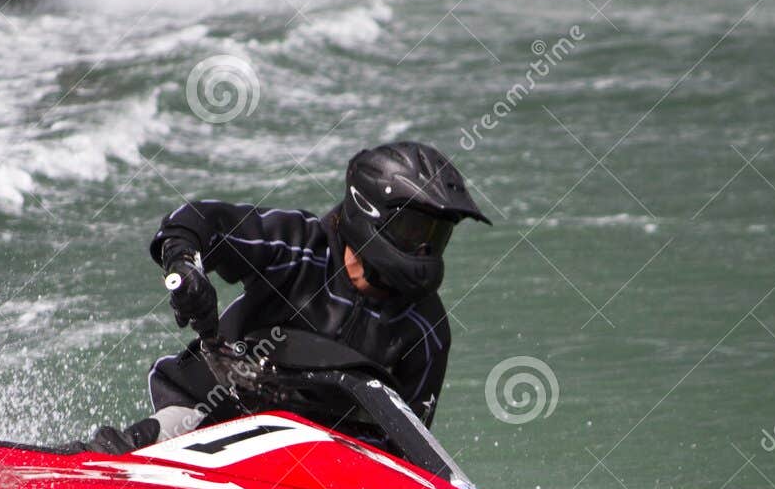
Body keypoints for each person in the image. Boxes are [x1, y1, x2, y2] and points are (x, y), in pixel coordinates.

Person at [80, 140, 490, 453]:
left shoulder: (427, 329)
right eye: (415, 231)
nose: (425, 250)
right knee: (140, 445)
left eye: (437, 237)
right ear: (369, 211)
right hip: (214, 419)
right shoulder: (298, 246)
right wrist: (185, 266)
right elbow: (198, 221)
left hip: (323, 464)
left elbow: (409, 443)